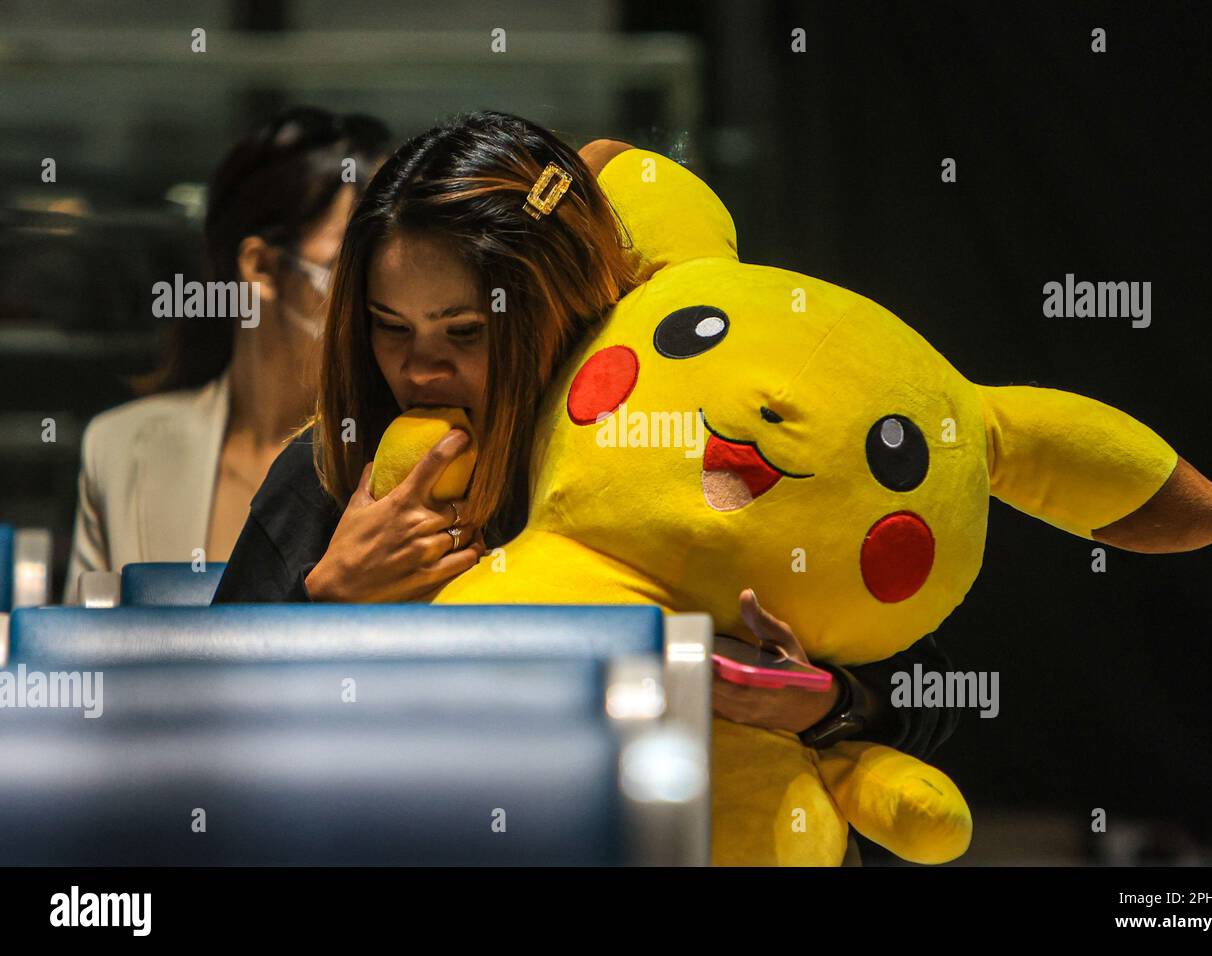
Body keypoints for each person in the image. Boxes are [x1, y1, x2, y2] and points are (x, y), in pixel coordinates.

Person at [211, 111, 958, 788]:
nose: (419, 370)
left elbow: (925, 694)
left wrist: (818, 704)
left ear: (560, 313)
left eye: (466, 332)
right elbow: (193, 737)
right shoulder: (331, 475)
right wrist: (327, 603)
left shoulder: (667, 444)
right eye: (389, 326)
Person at [62, 106, 390, 602]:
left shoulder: (409, 455)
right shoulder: (121, 449)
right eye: (349, 266)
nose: (376, 300)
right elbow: (89, 660)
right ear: (259, 267)